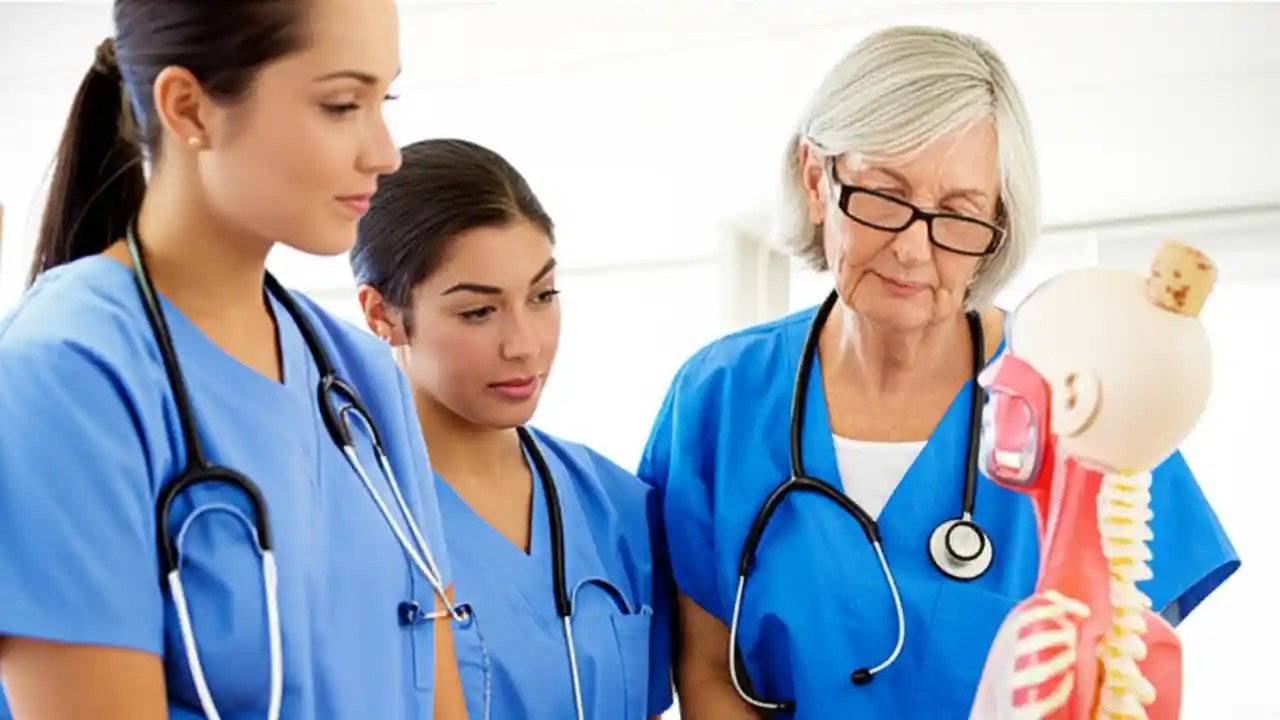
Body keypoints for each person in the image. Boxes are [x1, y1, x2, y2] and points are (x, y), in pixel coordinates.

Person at [637, 25, 1239, 719]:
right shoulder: (719, 397)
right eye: (885, 198)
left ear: (997, 224)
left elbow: (1120, 678)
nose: (913, 250)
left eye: (958, 214)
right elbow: (707, 670)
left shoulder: (1085, 393)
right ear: (816, 180)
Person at [0, 1, 468, 718]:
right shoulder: (68, 373)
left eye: (385, 99)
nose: (385, 152)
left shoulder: (361, 379)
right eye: (342, 104)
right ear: (190, 109)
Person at [350, 138, 674, 720]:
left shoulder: (616, 506)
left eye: (543, 295)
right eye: (479, 311)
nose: (524, 345)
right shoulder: (343, 512)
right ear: (382, 315)